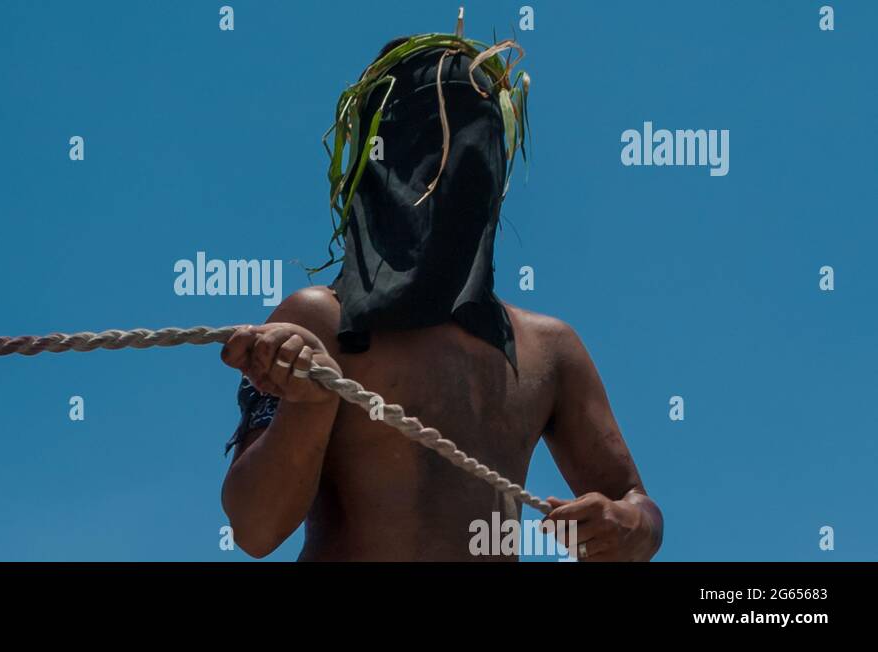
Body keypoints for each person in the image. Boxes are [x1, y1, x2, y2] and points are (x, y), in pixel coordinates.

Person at [219, 36, 663, 561]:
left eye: (469, 151)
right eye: (425, 151)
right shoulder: (321, 321)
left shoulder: (549, 350)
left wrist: (628, 523)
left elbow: (637, 507)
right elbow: (254, 529)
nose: (443, 179)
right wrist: (309, 406)